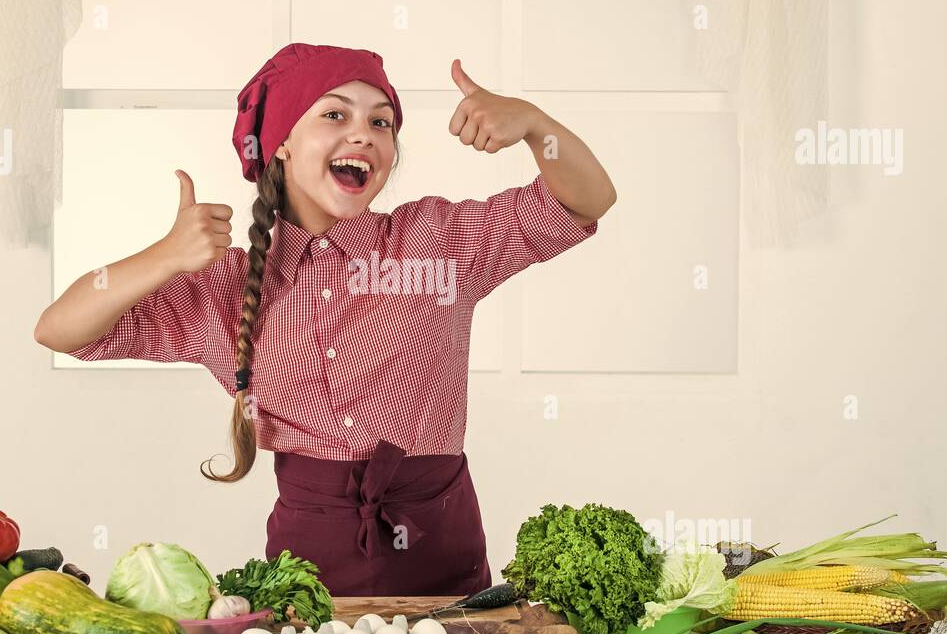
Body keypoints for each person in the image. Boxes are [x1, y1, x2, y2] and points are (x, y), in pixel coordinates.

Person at [35, 43, 616, 596]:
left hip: (443, 560)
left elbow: (585, 201)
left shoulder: (436, 244)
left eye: (381, 122)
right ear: (282, 143)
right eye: (335, 114)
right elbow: (59, 329)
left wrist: (538, 126)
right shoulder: (227, 288)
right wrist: (163, 256)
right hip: (306, 578)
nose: (362, 133)